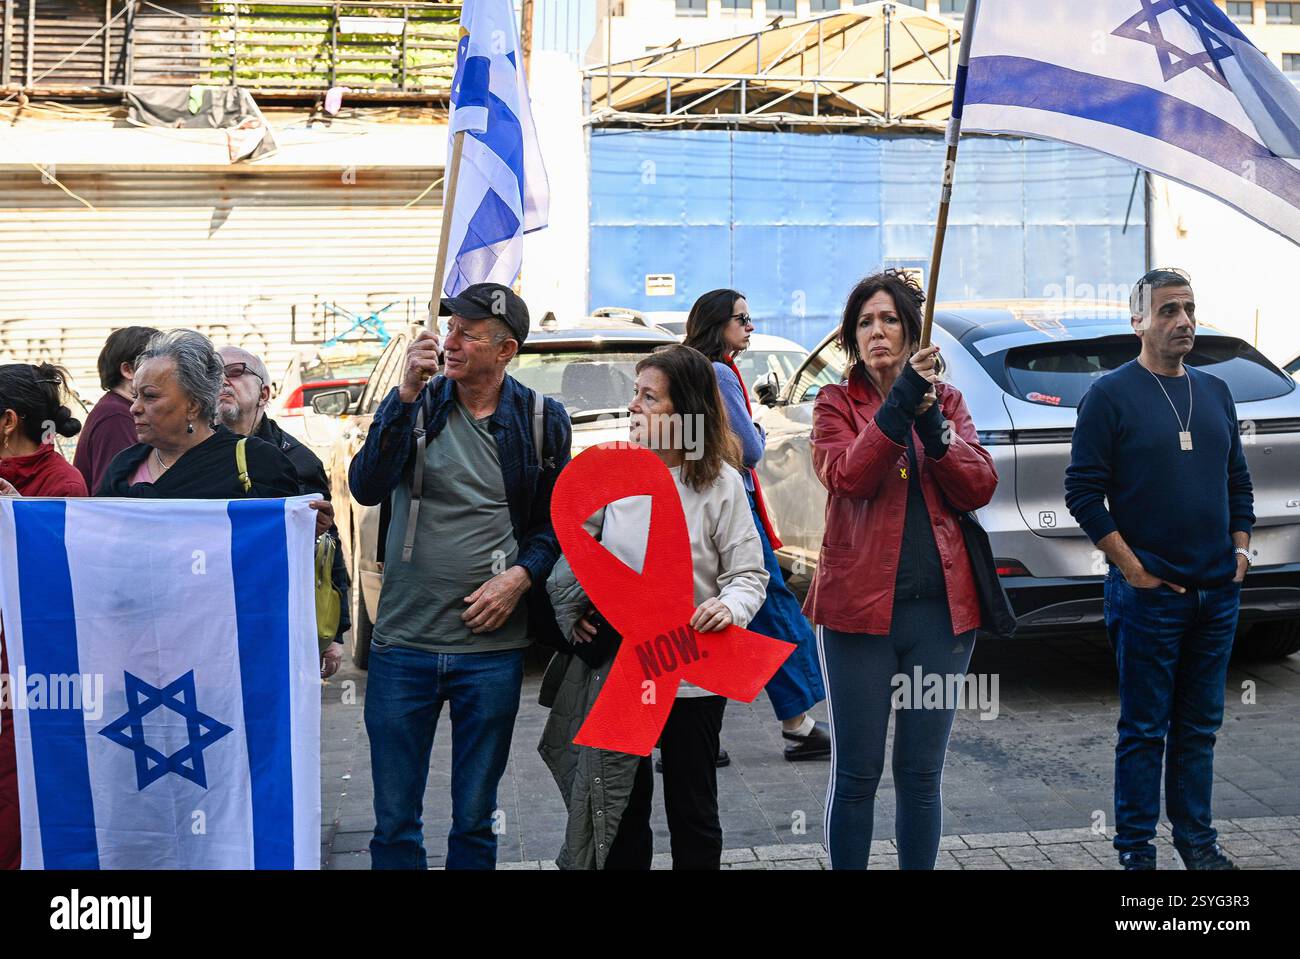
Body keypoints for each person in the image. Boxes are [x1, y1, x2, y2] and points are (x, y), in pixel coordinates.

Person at [348, 282, 571, 870]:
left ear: (505, 350)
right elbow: (365, 485)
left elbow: (556, 526)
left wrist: (519, 579)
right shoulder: (416, 404)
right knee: (394, 824)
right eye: (450, 330)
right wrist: (401, 396)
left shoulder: (543, 420)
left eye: (468, 334)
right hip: (402, 643)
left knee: (476, 821)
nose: (450, 342)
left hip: (491, 652)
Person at [539, 344, 769, 870]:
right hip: (623, 668)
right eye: (634, 394)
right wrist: (574, 611)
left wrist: (728, 609)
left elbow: (748, 575)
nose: (633, 407)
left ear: (686, 412)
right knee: (619, 811)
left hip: (693, 671)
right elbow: (578, 556)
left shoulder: (720, 483)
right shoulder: (614, 475)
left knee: (693, 810)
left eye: (649, 396)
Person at [804, 269, 997, 870]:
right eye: (865, 322)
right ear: (851, 337)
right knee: (857, 772)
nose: (877, 331)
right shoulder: (835, 402)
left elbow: (978, 486)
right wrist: (896, 408)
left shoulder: (951, 402)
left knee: (920, 773)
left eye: (889, 319)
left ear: (912, 333)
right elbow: (850, 478)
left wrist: (933, 423)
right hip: (856, 618)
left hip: (941, 618)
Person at [1065, 268, 1253, 872]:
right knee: (1145, 730)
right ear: (1138, 320)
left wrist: (1241, 553)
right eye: (1168, 310)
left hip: (1216, 593)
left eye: (1189, 309)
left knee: (1198, 729)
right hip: (1149, 599)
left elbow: (1238, 483)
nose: (1183, 321)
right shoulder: (1110, 395)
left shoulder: (1216, 392)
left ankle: (1198, 844)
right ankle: (1136, 853)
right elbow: (1084, 494)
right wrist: (1135, 571)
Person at [684, 289, 829, 761]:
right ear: (716, 324)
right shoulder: (720, 372)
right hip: (733, 505)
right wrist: (760, 430)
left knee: (718, 609)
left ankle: (705, 734)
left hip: (696, 504)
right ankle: (797, 724)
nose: (750, 327)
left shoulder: (686, 367)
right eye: (742, 319)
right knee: (771, 607)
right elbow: (749, 450)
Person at [215, 345, 351, 680]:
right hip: (213, 622)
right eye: (212, 373)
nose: (222, 381)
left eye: (234, 371)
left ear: (264, 392)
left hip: (278, 621)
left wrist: (335, 633)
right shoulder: (188, 455)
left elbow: (325, 546)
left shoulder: (298, 461)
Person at [0, 363, 89, 870]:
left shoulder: (62, 485)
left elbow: (64, 591)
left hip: (29, 686)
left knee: (18, 812)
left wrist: (20, 525)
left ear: (8, 420)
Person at [97, 330, 317, 508]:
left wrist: (307, 526)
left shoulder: (257, 462)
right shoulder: (122, 467)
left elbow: (274, 547)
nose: (134, 408)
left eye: (150, 396)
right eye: (135, 396)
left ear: (194, 405)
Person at [73, 326, 157, 494]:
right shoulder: (116, 416)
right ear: (129, 370)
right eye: (155, 363)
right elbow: (112, 495)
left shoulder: (120, 409)